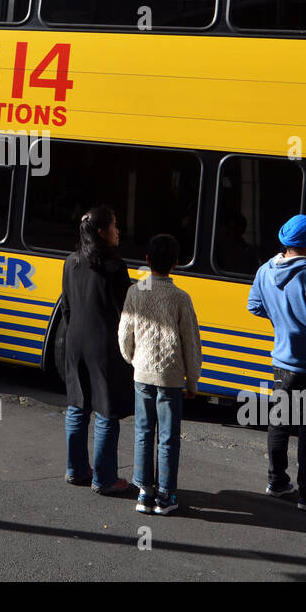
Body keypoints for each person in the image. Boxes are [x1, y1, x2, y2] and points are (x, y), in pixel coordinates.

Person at [246, 214, 306, 513]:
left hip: (282, 363)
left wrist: (281, 320)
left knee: (279, 423)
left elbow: (254, 305)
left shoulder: (264, 271)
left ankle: (277, 481)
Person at [118, 233, 202, 515]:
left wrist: (133, 360)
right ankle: (166, 495)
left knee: (143, 431)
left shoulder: (134, 292)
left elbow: (124, 334)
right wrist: (192, 380)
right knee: (168, 435)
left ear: (147, 260)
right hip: (171, 377)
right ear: (176, 263)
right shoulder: (181, 298)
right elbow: (190, 342)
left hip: (142, 374)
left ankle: (144, 491)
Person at [61, 205, 134, 496]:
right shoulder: (115, 267)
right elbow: (125, 314)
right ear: (102, 232)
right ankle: (104, 479)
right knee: (106, 411)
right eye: (115, 226)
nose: (118, 231)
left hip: (74, 341)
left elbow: (66, 306)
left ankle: (76, 469)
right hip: (104, 346)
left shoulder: (70, 262)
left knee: (78, 406)